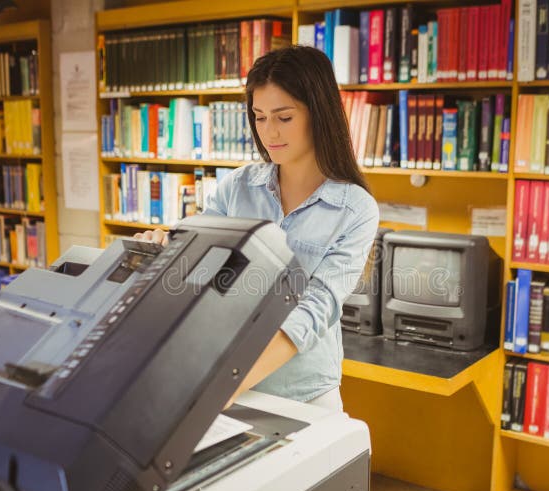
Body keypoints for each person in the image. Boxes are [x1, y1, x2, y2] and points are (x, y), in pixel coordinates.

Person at [135, 46, 379, 411]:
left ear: (319, 114)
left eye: (283, 117)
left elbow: (315, 308)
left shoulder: (355, 209)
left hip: (304, 394)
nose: (269, 132)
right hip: (229, 383)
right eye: (260, 117)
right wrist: (165, 249)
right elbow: (200, 253)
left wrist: (225, 386)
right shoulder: (238, 186)